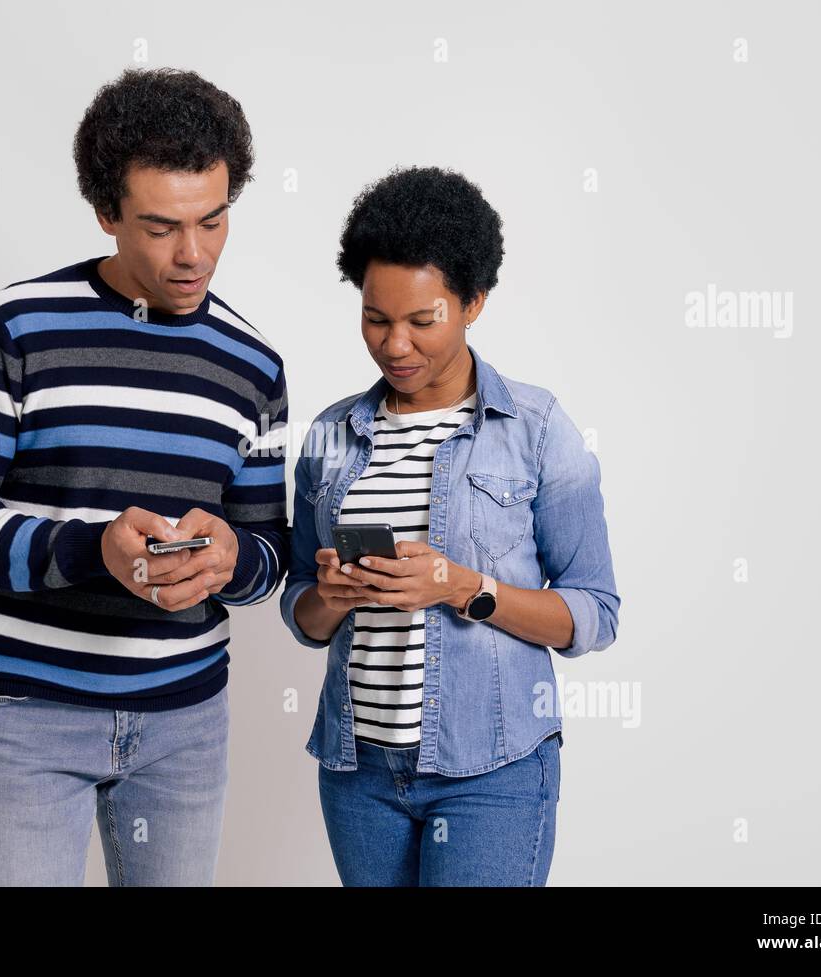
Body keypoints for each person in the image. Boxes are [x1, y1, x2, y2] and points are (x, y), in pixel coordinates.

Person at [0, 67, 289, 885]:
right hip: (27, 715)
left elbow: (270, 555)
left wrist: (233, 560)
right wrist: (91, 552)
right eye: (160, 226)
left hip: (188, 723)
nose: (194, 254)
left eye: (214, 219)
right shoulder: (15, 326)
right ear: (107, 213)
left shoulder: (254, 364)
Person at [279, 166, 620, 886]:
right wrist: (331, 599)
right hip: (358, 769)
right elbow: (301, 609)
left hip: (491, 770)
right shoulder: (332, 436)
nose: (395, 344)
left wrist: (462, 586)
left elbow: (593, 614)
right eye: (376, 318)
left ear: (473, 302)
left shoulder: (536, 429)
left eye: (421, 320)